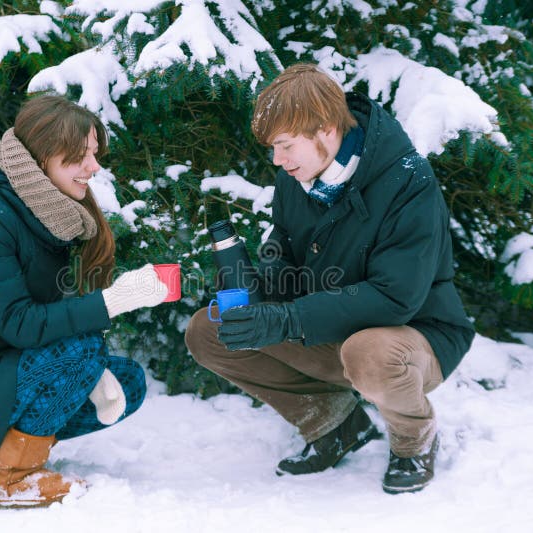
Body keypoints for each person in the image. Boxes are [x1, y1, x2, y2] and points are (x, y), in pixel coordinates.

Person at [185, 63, 475, 494]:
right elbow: (284, 247)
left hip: (415, 338)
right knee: (209, 329)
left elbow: (395, 297)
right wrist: (259, 282)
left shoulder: (408, 181)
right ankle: (335, 424)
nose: (277, 161)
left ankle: (415, 439)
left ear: (324, 128)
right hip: (329, 326)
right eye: (273, 149)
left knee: (370, 352)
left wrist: (285, 320)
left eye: (285, 146)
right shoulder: (297, 178)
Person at [0, 95, 169, 508]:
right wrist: (114, 301)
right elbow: (22, 325)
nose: (94, 168)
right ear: (43, 158)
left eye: (94, 154)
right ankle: (12, 477)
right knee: (85, 349)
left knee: (128, 382)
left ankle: (17, 449)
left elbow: (36, 328)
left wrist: (88, 371)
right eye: (80, 157)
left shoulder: (44, 216)